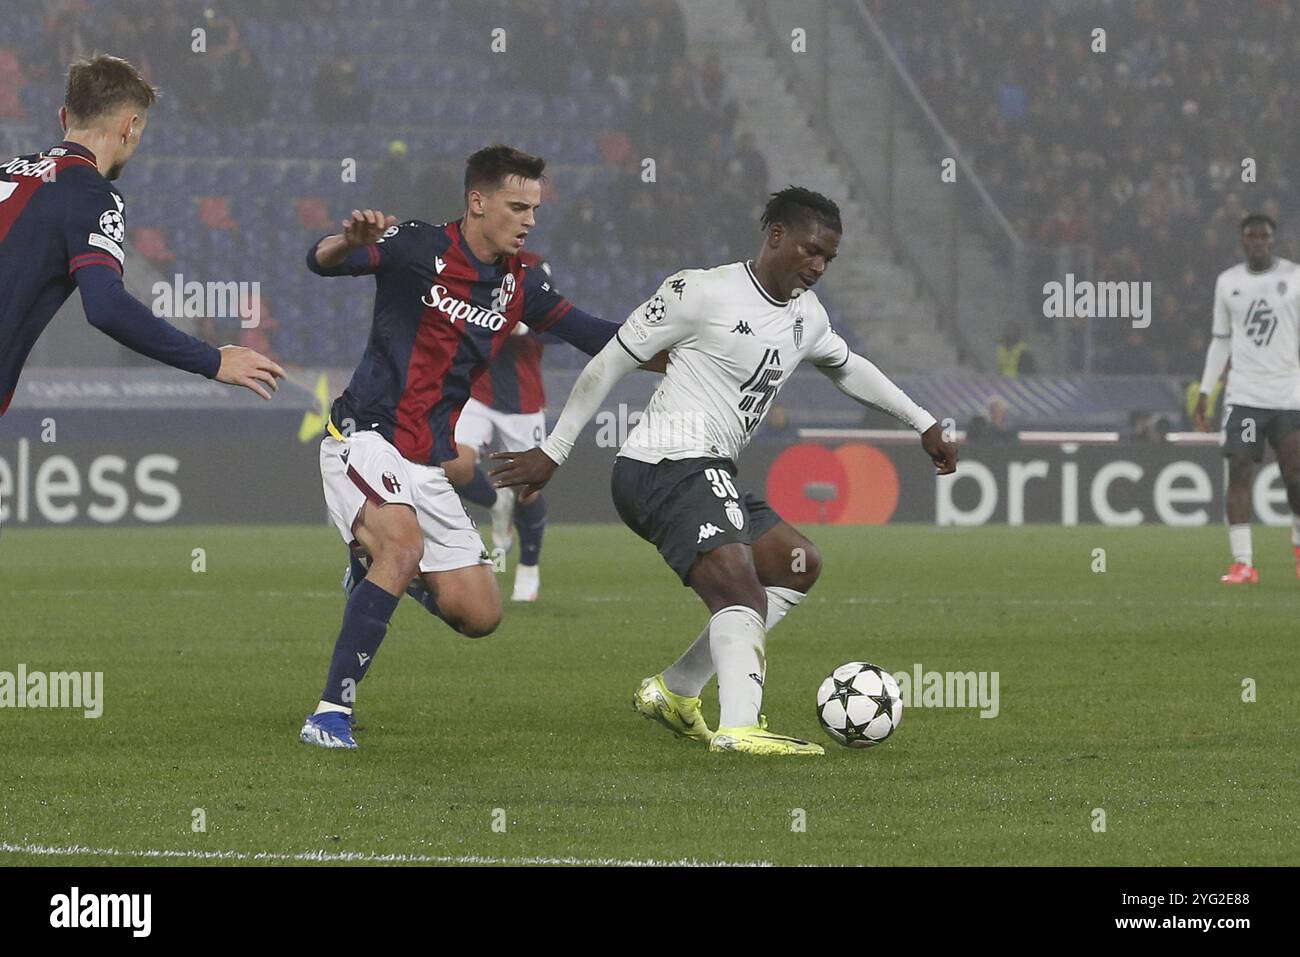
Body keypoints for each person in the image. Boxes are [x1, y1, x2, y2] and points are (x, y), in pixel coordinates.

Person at [492, 186, 957, 756]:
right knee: (741, 590)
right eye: (811, 250)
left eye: (828, 259)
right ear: (777, 235)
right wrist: (556, 449)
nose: (818, 266)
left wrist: (923, 421)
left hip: (709, 469)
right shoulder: (699, 291)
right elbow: (611, 358)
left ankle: (676, 690)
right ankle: (741, 728)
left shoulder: (807, 316)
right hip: (664, 462)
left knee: (796, 565)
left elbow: (848, 366)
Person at [299, 145, 647, 749]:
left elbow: (593, 333)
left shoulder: (522, 282)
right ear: (477, 202)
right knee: (403, 548)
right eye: (517, 206)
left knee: (479, 616)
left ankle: (374, 568)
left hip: (425, 458)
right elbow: (321, 261)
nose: (529, 220)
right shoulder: (417, 245)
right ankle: (330, 712)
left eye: (535, 208)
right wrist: (348, 241)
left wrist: (679, 351)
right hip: (365, 435)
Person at [0, 53, 283, 418]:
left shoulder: (7, 171)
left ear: (64, 117)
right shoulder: (90, 194)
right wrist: (211, 360)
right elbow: (106, 307)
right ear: (130, 127)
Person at [1194, 213, 1300, 583]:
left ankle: (1299, 548)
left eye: (1264, 236)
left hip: (1288, 396)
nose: (1257, 242)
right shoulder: (1229, 283)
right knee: (1240, 470)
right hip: (1247, 399)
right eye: (1251, 237)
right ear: (1242, 242)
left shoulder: (1294, 278)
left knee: (1295, 478)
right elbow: (1221, 340)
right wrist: (1207, 390)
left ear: (1274, 240)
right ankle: (1243, 563)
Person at [444, 322, 548, 602]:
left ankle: (528, 567)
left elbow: (559, 329)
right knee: (452, 463)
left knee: (527, 490)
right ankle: (497, 502)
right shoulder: (479, 280)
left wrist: (525, 327)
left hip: (523, 403)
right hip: (477, 393)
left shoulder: (538, 279)